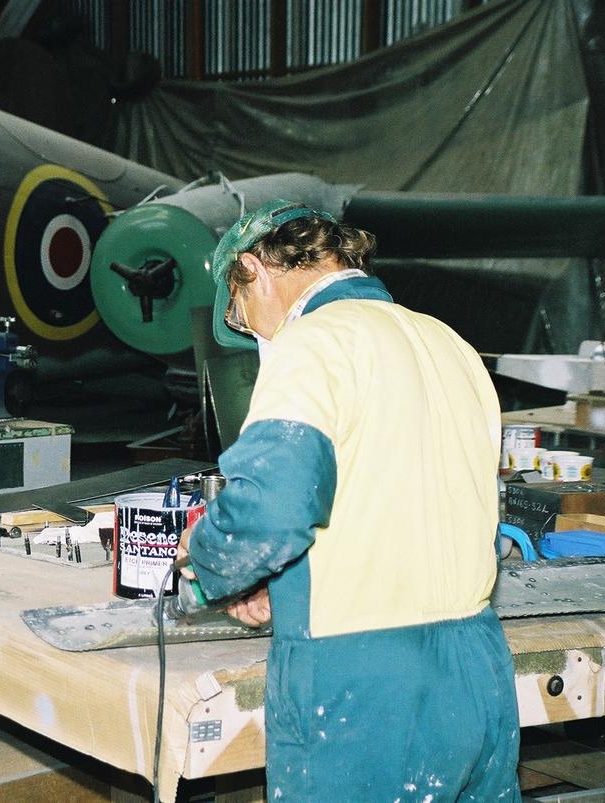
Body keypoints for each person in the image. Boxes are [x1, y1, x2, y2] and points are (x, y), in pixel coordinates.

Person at [179, 199, 519, 801]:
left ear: (254, 270)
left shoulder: (313, 345)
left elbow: (273, 507)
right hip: (477, 666)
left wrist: (210, 561)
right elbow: (400, 500)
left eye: (243, 314)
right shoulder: (449, 344)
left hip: (360, 680)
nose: (258, 335)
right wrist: (278, 584)